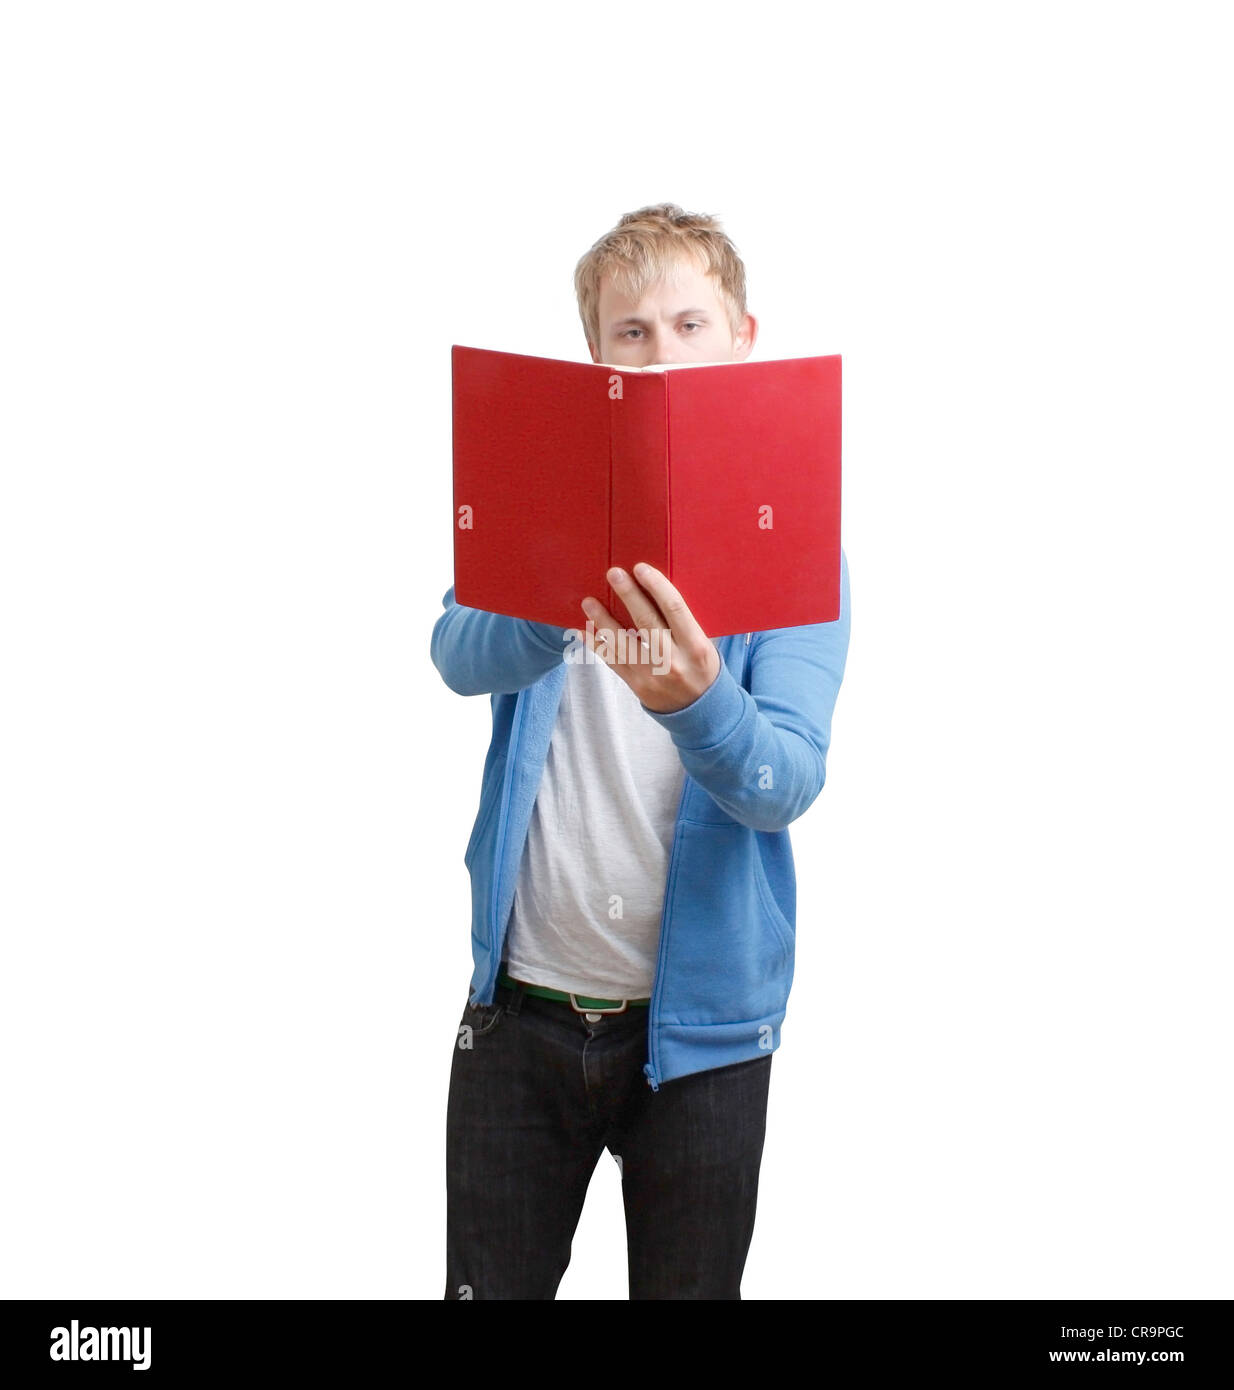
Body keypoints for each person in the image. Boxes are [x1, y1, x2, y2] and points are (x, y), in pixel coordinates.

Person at [431, 203, 851, 1299]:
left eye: (687, 323)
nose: (660, 351)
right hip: (518, 1013)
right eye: (631, 331)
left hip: (705, 1045)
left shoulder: (798, 542)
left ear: (743, 337)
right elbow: (454, 653)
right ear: (595, 356)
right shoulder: (540, 502)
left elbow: (786, 783)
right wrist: (551, 588)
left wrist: (701, 699)